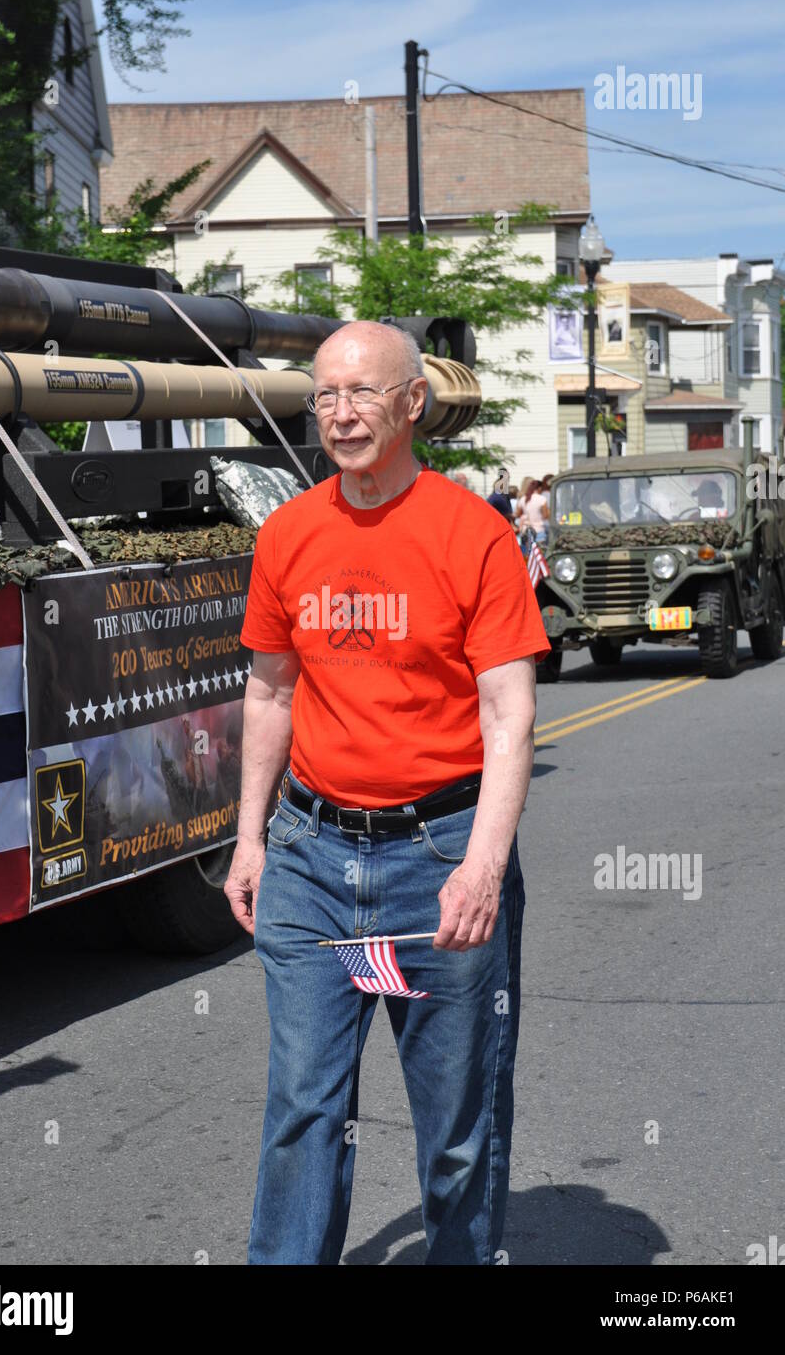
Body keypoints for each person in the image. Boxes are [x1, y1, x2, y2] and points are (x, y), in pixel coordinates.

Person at [228, 320, 550, 1266]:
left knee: (457, 1125)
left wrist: (482, 868)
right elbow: (268, 691)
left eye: (363, 392)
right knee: (302, 1110)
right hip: (310, 860)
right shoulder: (287, 532)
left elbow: (508, 714)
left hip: (437, 859)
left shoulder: (473, 533)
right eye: (325, 394)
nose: (340, 412)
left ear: (413, 403)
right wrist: (248, 840)